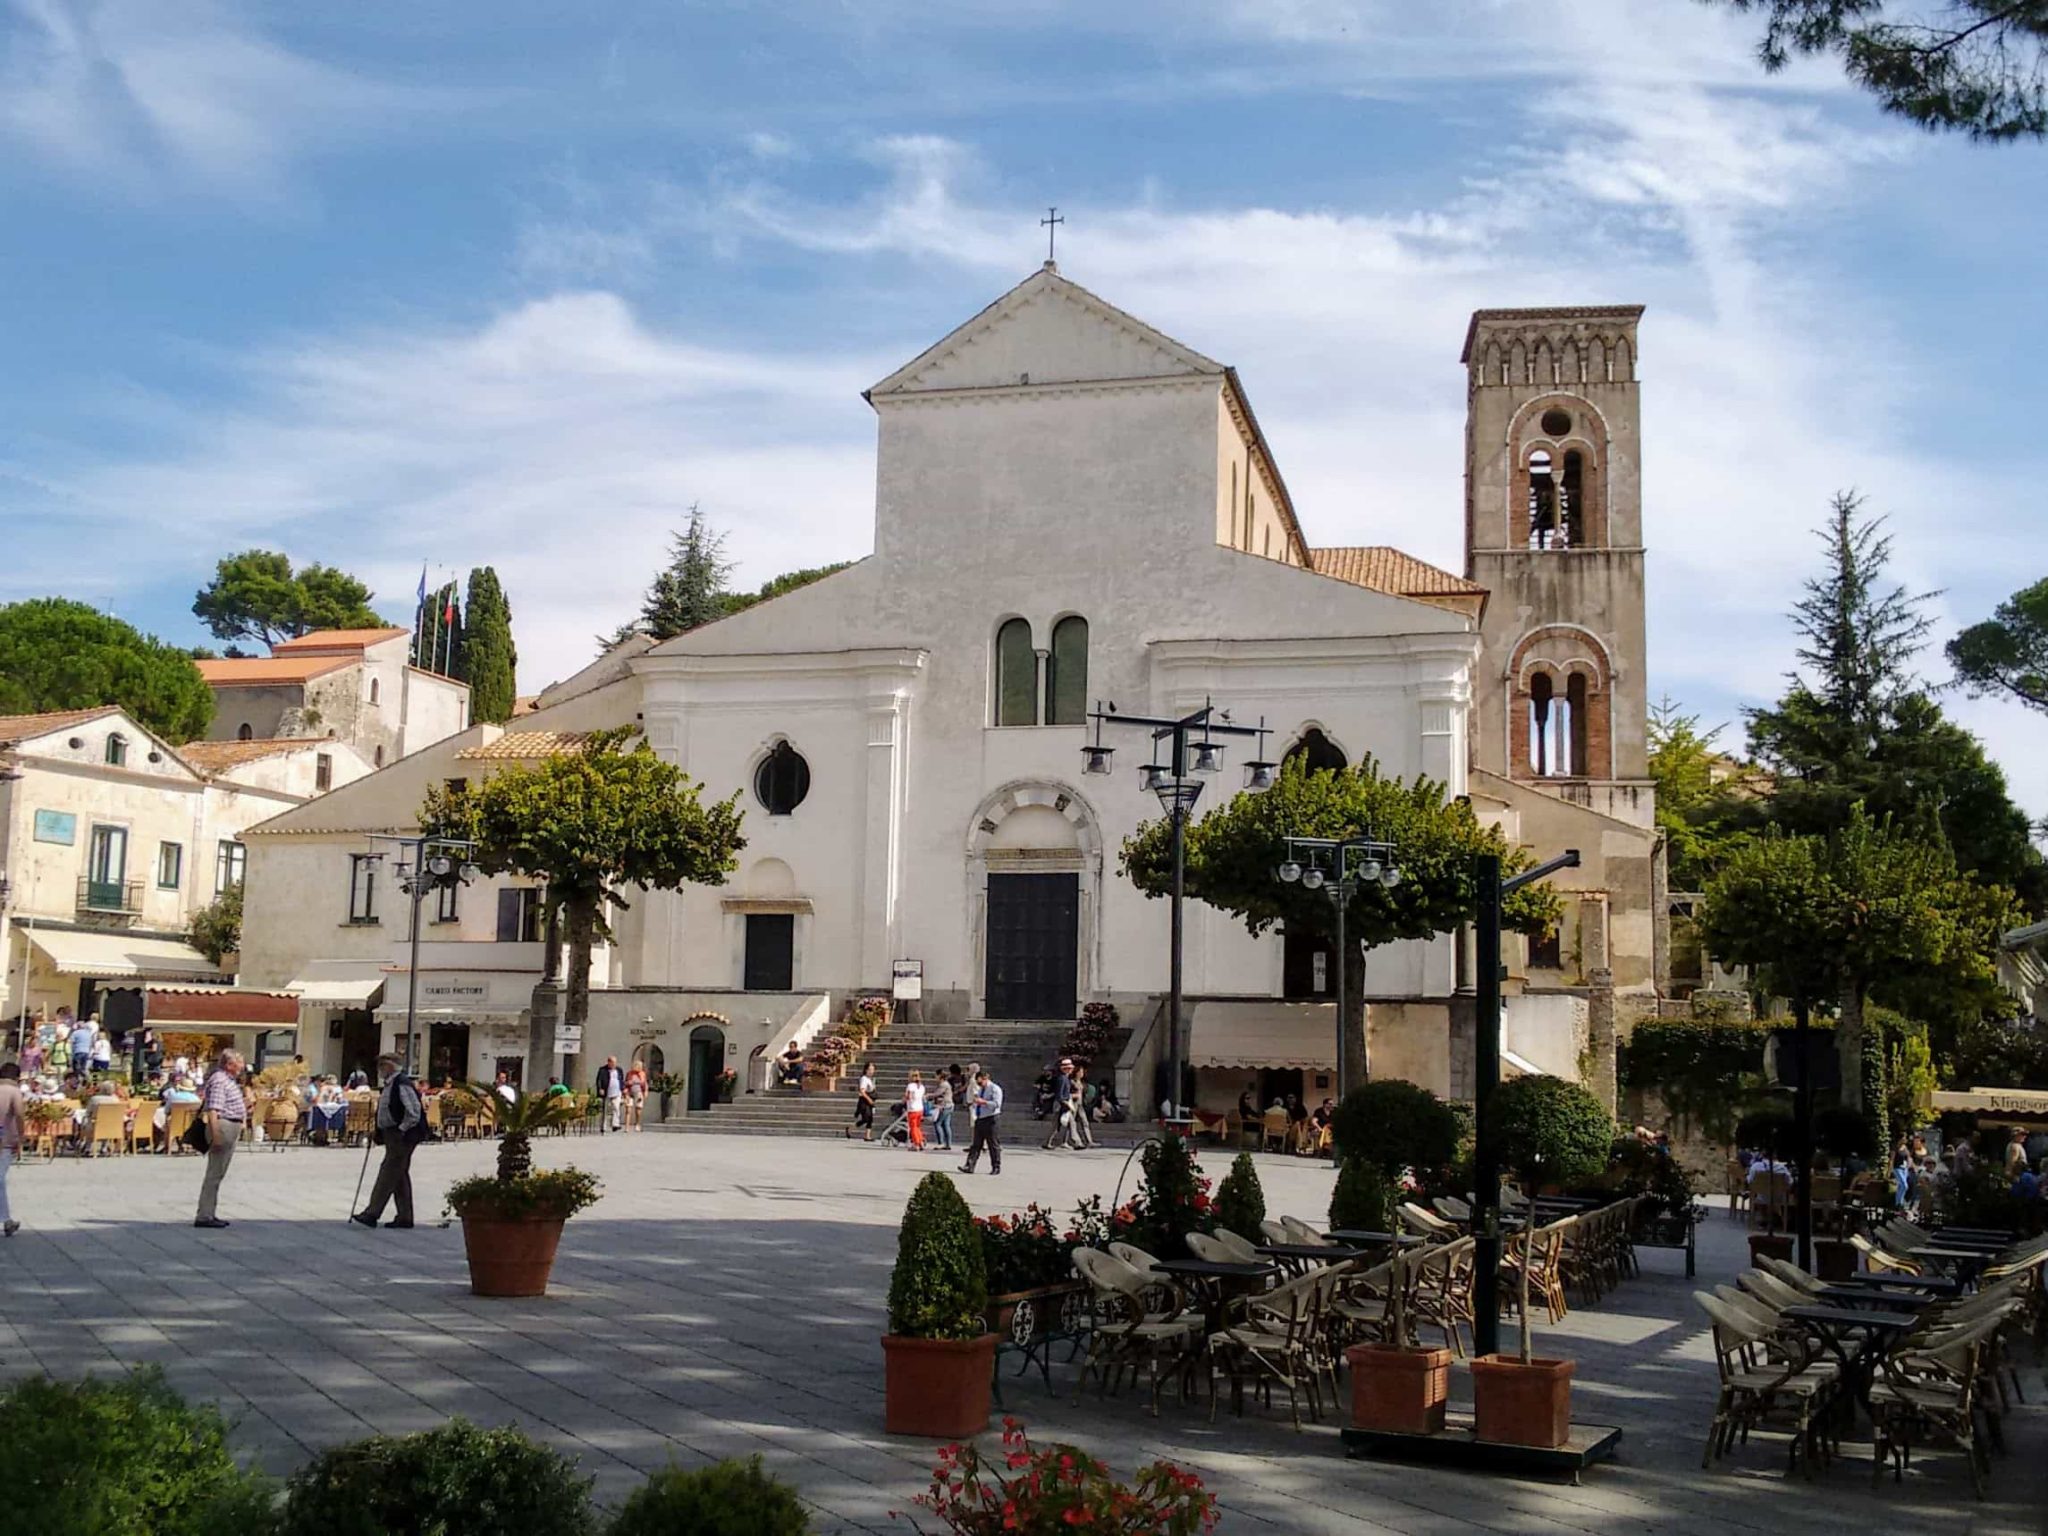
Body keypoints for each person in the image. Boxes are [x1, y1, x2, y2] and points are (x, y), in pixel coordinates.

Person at [352, 1054, 426, 1230]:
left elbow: (413, 1112)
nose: (379, 1069)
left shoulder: (401, 1083)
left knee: (388, 1172)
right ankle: (405, 1217)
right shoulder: (390, 1084)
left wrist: (401, 1130)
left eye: (382, 1065)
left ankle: (372, 1213)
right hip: (392, 1133)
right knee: (399, 1174)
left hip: (402, 1135)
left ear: (391, 1066)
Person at [193, 1049, 247, 1229]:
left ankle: (209, 1212)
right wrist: (215, 1133)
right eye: (240, 1063)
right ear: (229, 1064)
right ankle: (204, 1215)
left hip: (231, 1126)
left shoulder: (228, 1080)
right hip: (223, 1126)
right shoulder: (219, 1080)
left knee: (218, 1173)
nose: (242, 1067)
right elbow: (214, 1109)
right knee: (214, 1173)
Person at [960, 1069, 1003, 1175]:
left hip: (991, 1118)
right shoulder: (980, 1089)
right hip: (980, 1118)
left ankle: (996, 1167)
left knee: (993, 1144)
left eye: (980, 1082)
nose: (979, 1084)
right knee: (976, 1144)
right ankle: (969, 1165)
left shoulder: (995, 1089)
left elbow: (997, 1104)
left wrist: (984, 1102)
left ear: (985, 1079)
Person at [0, 1062, 23, 1237]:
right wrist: (20, 1138)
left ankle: (6, 1218)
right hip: (4, 1140)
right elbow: (19, 1114)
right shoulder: (14, 1092)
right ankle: (6, 1219)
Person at [1042, 1059, 1075, 1150]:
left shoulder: (1065, 1078)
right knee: (1057, 1124)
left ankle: (1065, 1141)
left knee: (1066, 1124)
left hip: (1064, 1103)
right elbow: (1059, 1094)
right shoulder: (1062, 1079)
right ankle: (1049, 1142)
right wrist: (1066, 1104)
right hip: (1061, 1104)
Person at [595, 1055, 626, 1133]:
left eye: (615, 1062)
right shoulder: (602, 1070)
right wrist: (600, 1089)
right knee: (605, 1110)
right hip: (607, 1092)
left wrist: (623, 1089)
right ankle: (603, 1126)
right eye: (612, 1062)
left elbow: (621, 1080)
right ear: (609, 1062)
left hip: (617, 1092)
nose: (614, 1064)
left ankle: (615, 1124)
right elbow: (598, 1080)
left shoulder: (619, 1070)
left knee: (616, 1108)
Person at [1067, 1065, 1095, 1150]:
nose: (1082, 1074)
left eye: (1082, 1072)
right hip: (1073, 1104)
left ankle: (1089, 1141)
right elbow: (1067, 1093)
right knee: (1072, 1123)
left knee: (1085, 1121)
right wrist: (1073, 1096)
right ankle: (1072, 1141)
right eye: (1080, 1072)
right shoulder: (1071, 1082)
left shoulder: (1081, 1083)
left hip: (1080, 1105)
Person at [929, 1068, 955, 1152]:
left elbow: (937, 1094)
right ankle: (948, 1144)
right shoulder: (945, 1084)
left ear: (940, 1076)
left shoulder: (943, 1084)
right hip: (949, 1105)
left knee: (938, 1124)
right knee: (946, 1125)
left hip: (945, 1106)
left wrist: (928, 1095)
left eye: (936, 1075)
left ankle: (941, 1143)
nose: (935, 1077)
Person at [851, 1063, 877, 1141]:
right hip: (864, 1101)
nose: (871, 1071)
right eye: (870, 1069)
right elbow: (862, 1091)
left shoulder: (871, 1079)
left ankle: (867, 1135)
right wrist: (869, 1099)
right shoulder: (864, 1079)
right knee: (865, 1118)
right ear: (866, 1070)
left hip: (870, 1101)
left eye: (873, 1069)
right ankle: (850, 1128)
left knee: (870, 1118)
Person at [903, 1071, 926, 1152]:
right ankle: (921, 1141)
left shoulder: (910, 1086)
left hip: (912, 1109)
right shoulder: (922, 1086)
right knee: (918, 1127)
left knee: (913, 1127)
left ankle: (916, 1144)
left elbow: (908, 1096)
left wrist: (904, 1100)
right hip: (920, 1108)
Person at [624, 1059, 648, 1130]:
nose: (639, 1068)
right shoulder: (629, 1073)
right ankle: (627, 1127)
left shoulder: (642, 1074)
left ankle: (637, 1124)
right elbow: (625, 1082)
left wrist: (646, 1091)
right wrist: (628, 1084)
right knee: (628, 1109)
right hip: (629, 1092)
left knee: (638, 1109)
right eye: (637, 1066)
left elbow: (645, 1083)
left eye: (640, 1066)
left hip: (638, 1092)